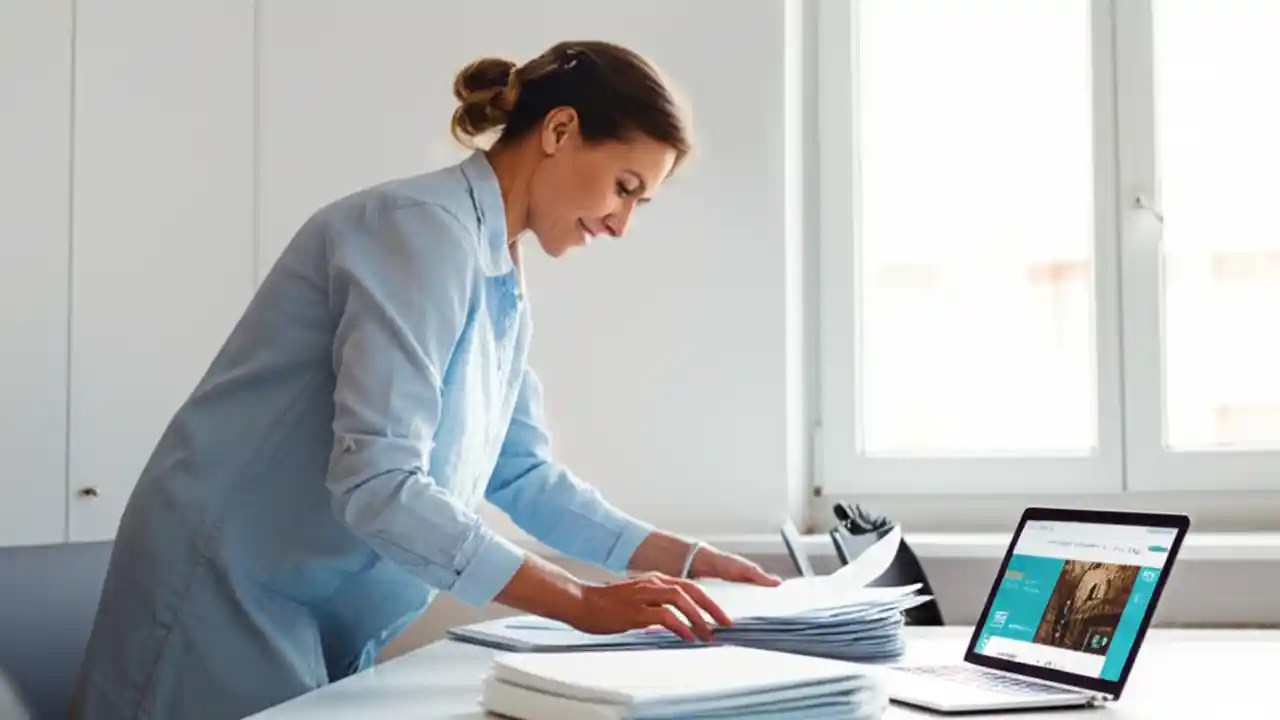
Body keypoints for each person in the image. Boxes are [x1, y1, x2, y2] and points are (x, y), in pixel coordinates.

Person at [69, 40, 780, 720]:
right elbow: (378, 485)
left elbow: (521, 472)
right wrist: (580, 602)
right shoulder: (417, 230)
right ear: (560, 129)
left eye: (639, 203)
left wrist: (691, 559)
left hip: (304, 598)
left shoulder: (493, 261)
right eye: (625, 188)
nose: (622, 224)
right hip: (222, 586)